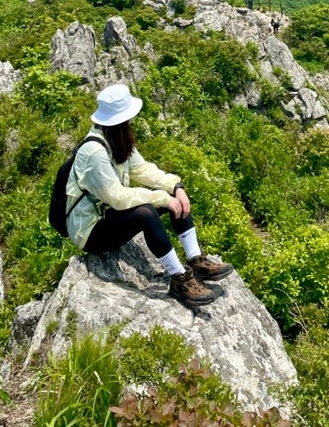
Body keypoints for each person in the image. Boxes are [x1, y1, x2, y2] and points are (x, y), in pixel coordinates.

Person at [65, 82, 233, 307]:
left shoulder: (115, 139)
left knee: (169, 196)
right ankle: (179, 279)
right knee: (147, 214)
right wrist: (163, 199)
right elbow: (118, 198)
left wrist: (176, 187)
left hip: (109, 215)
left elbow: (142, 170)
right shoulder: (95, 152)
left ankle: (196, 260)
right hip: (90, 232)